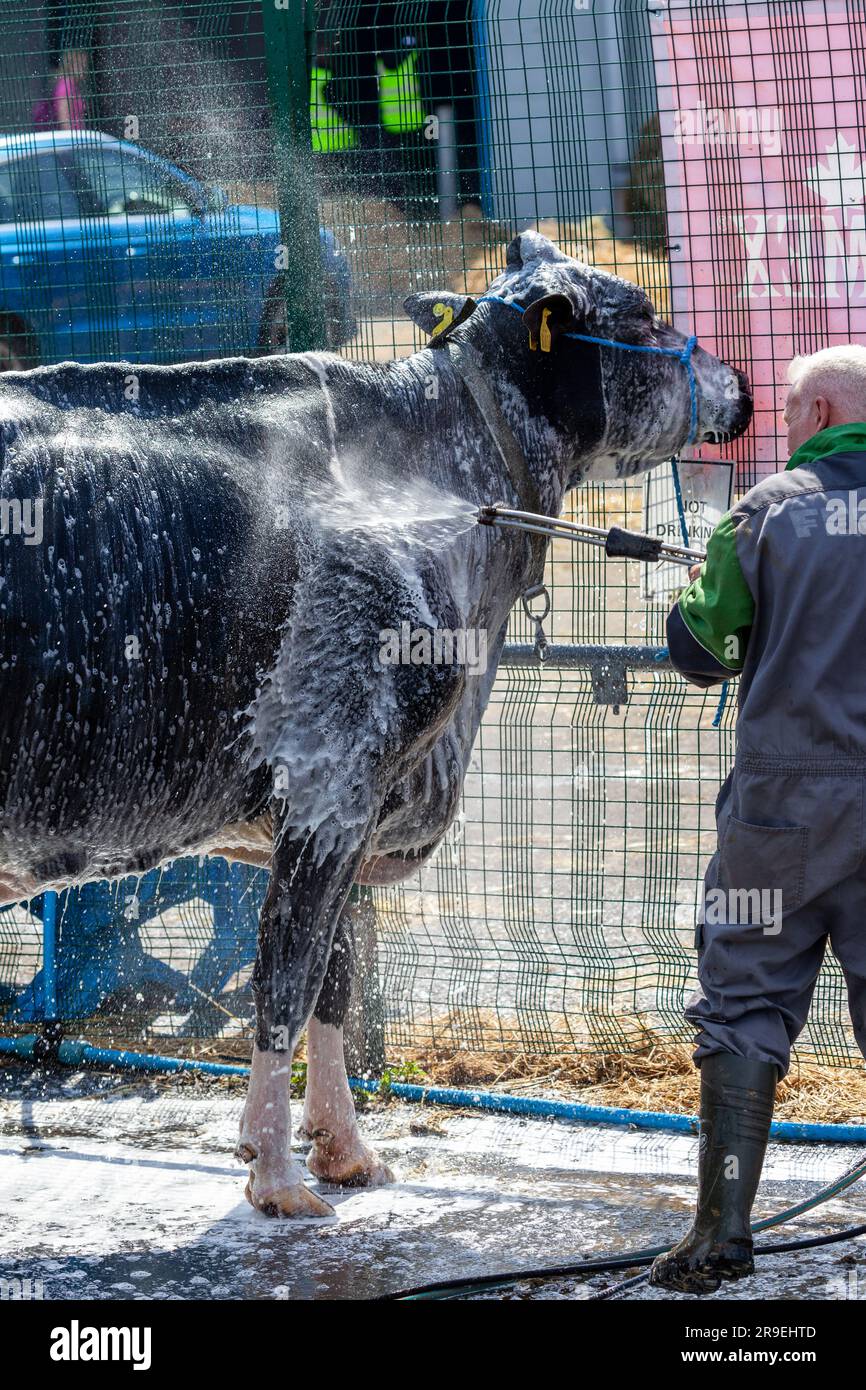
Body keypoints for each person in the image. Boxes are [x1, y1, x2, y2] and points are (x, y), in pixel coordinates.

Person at [651, 346, 866, 1293]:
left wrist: (703, 589)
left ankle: (721, 1233)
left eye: (786, 417)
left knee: (746, 1000)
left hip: (783, 809)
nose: (782, 434)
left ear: (820, 409)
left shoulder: (770, 508)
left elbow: (699, 648)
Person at [32, 48, 89, 132]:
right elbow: (64, 119)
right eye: (80, 65)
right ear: (70, 66)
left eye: (84, 65)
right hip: (71, 138)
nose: (84, 69)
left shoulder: (72, 85)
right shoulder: (66, 85)